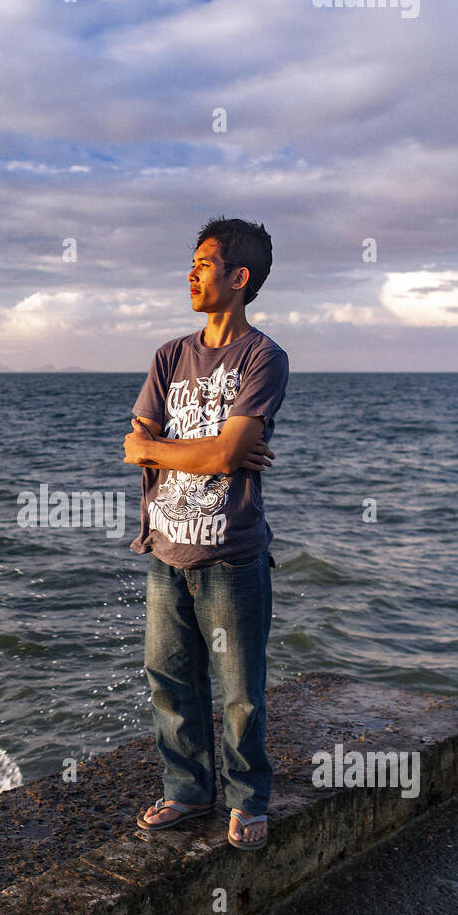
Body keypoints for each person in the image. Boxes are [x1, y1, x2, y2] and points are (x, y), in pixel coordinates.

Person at [123, 217, 289, 850]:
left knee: (241, 693)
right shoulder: (169, 355)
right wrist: (211, 448)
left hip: (231, 554)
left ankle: (249, 802)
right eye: (191, 263)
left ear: (238, 278)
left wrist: (189, 450)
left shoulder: (263, 357)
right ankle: (187, 791)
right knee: (169, 681)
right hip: (165, 548)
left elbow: (219, 458)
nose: (190, 273)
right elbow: (134, 444)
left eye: (203, 263)